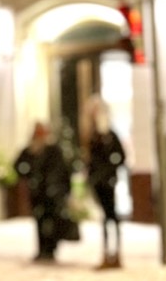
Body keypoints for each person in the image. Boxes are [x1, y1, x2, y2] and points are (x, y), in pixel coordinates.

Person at [14, 121, 72, 262]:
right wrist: (27, 174)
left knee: (52, 221)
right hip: (37, 192)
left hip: (53, 193)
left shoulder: (54, 150)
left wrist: (62, 189)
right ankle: (41, 249)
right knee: (39, 221)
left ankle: (51, 248)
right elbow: (18, 166)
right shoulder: (29, 151)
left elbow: (63, 171)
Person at [84, 98, 126, 269]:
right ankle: (107, 252)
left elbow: (121, 157)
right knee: (105, 218)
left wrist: (109, 171)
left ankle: (116, 253)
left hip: (108, 181)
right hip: (98, 182)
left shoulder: (110, 136)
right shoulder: (92, 136)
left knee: (111, 217)